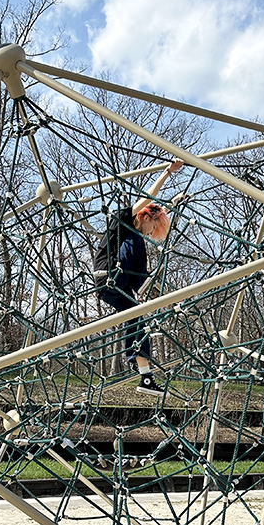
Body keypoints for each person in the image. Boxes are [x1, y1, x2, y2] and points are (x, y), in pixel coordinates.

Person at [94, 158, 184, 396]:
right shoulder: (123, 223)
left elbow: (155, 211)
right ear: (146, 217)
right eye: (153, 227)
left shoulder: (136, 238)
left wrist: (172, 206)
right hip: (109, 276)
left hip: (119, 287)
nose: (152, 232)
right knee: (136, 241)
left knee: (137, 316)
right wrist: (167, 172)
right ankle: (146, 287)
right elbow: (146, 200)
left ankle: (145, 377)